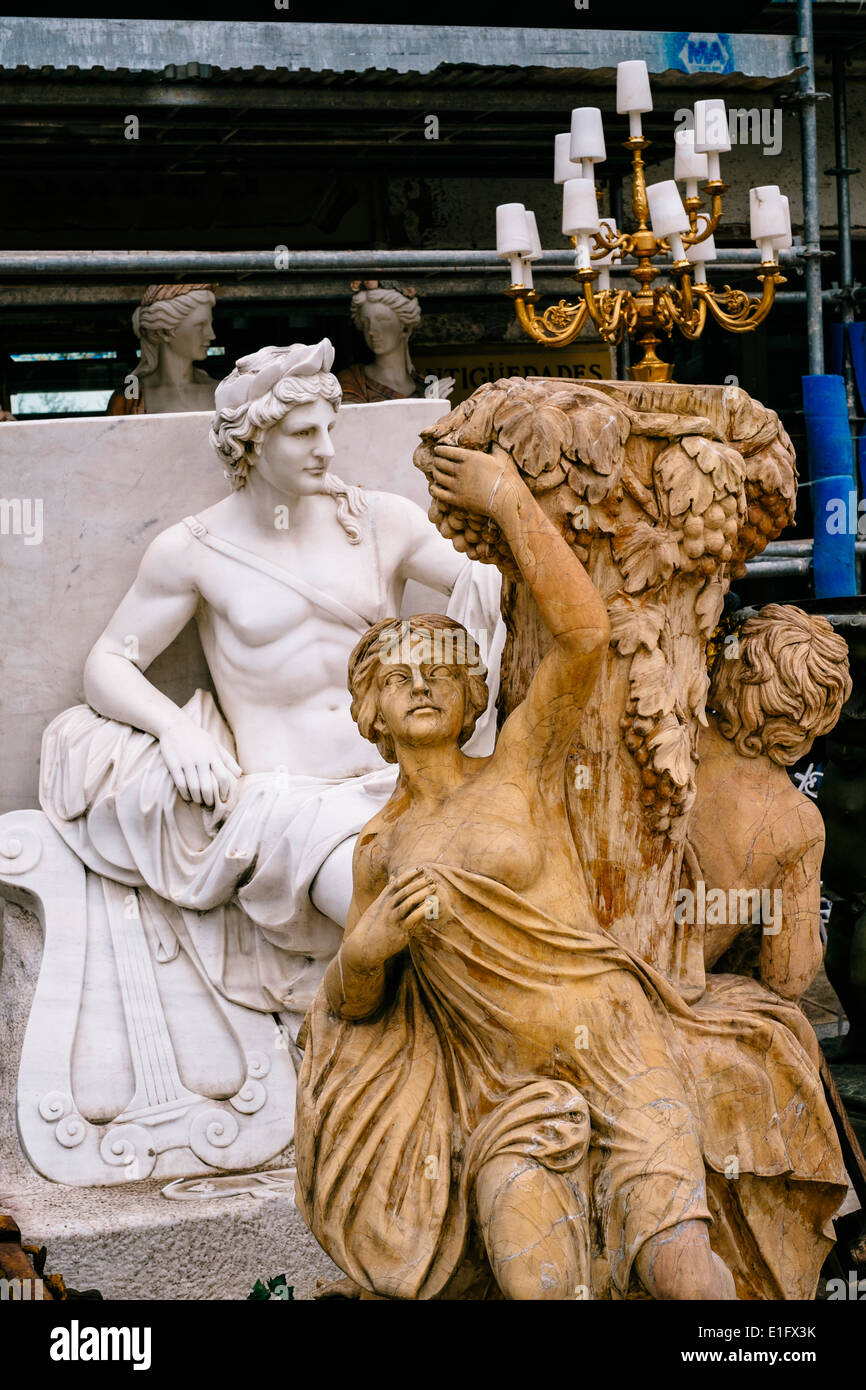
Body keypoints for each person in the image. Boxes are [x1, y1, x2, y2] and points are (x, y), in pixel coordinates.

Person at [295, 442, 847, 1301]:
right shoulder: (379, 849)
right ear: (370, 710)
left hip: (619, 1042)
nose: (425, 685)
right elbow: (353, 1002)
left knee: (680, 1271)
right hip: (507, 1091)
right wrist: (372, 940)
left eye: (442, 670)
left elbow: (585, 636)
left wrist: (510, 497)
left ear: (473, 692)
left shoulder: (517, 765)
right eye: (401, 677)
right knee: (537, 1283)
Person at [42, 340, 501, 1045]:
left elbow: (490, 590)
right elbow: (107, 663)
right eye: (302, 434)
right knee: (404, 924)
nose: (325, 450)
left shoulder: (381, 522)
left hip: (406, 781)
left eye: (330, 430)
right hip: (296, 806)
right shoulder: (194, 550)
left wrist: (507, 507)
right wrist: (177, 731)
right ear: (250, 444)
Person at [107, 283, 220, 415]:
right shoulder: (129, 397)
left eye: (209, 325)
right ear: (163, 332)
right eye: (200, 325)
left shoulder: (220, 391)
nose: (211, 335)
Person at [337, 280, 454, 404]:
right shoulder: (351, 382)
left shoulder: (425, 386)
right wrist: (428, 409)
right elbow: (356, 422)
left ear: (405, 329)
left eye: (382, 320)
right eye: (366, 322)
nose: (372, 330)